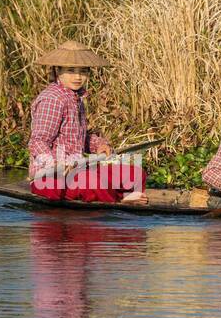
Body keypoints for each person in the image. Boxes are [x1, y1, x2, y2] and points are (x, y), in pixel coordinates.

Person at [28, 40, 147, 203]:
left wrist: (99, 145)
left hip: (78, 167)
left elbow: (78, 138)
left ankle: (119, 196)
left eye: (83, 71)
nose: (78, 77)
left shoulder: (75, 97)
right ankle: (121, 199)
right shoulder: (53, 100)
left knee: (135, 174)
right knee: (95, 184)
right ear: (58, 71)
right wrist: (56, 164)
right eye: (71, 71)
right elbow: (38, 141)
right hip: (51, 176)